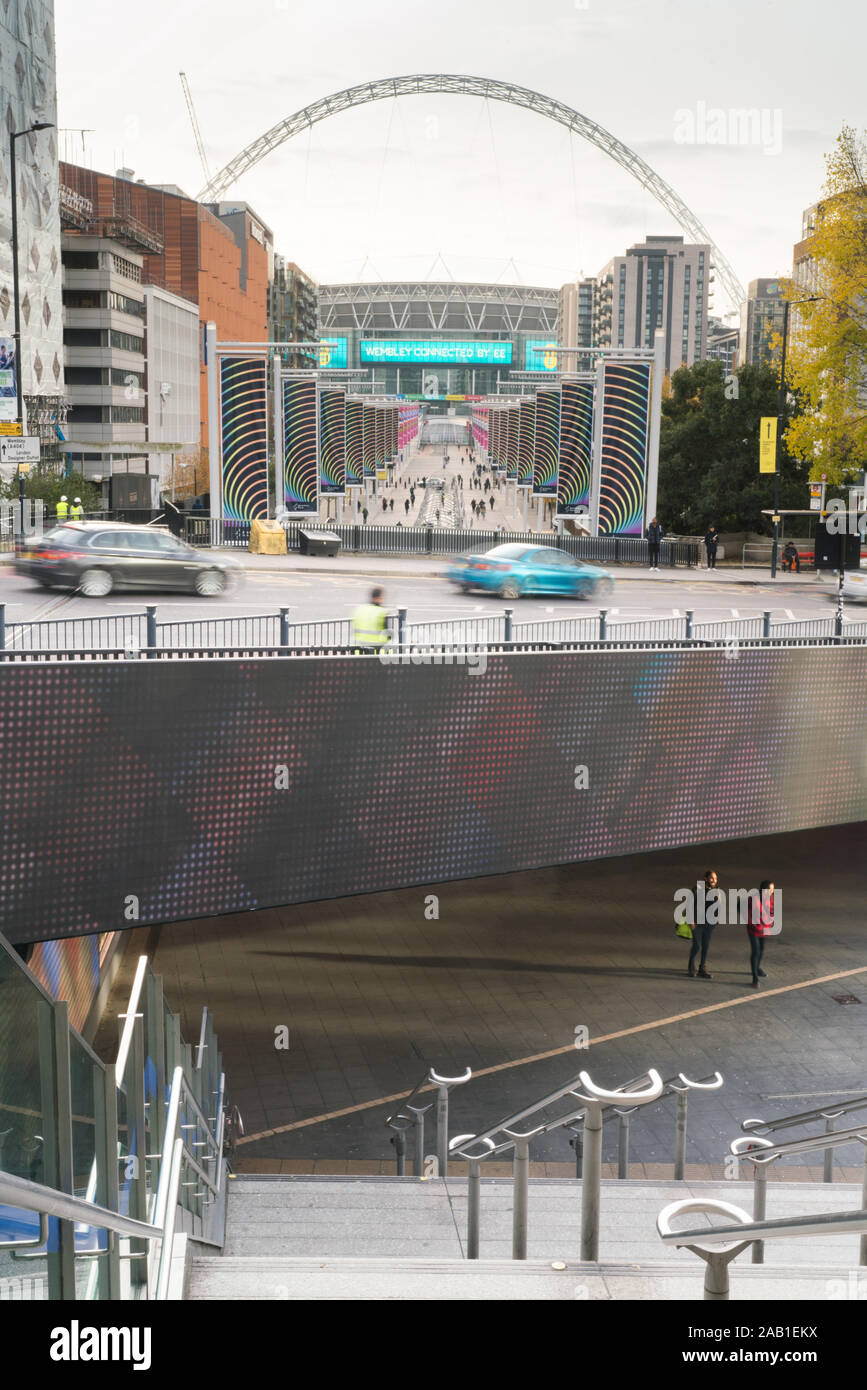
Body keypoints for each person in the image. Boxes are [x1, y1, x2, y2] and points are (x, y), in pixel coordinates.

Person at [687, 869, 720, 979]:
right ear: (705, 878)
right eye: (711, 878)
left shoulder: (716, 890)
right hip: (697, 922)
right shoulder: (697, 889)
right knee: (697, 945)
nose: (714, 880)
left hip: (709, 923)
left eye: (715, 878)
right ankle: (691, 966)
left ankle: (702, 967)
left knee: (705, 946)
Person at [747, 880, 775, 987]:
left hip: (765, 929)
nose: (772, 891)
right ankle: (755, 978)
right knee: (756, 952)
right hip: (754, 930)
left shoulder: (771, 898)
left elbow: (772, 911)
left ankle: (757, 968)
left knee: (762, 950)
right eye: (771, 889)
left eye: (773, 889)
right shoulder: (753, 899)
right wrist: (754, 924)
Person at [352, 587, 391, 652]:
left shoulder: (359, 610)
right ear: (378, 598)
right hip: (375, 651)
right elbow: (387, 634)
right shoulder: (382, 612)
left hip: (359, 650)